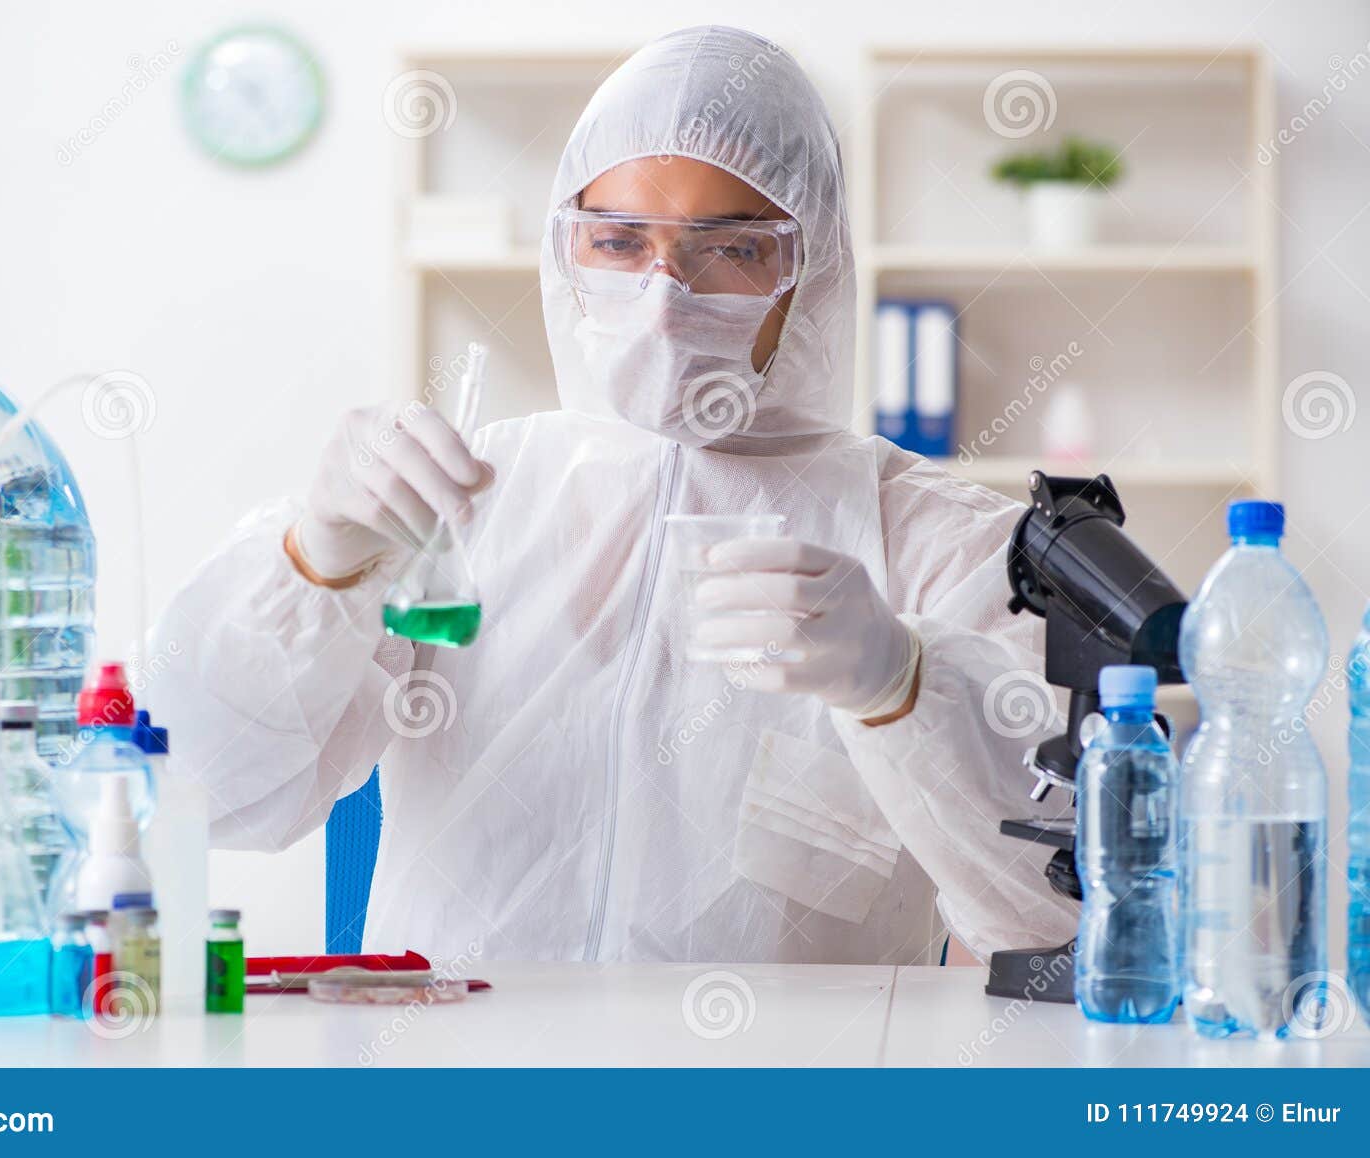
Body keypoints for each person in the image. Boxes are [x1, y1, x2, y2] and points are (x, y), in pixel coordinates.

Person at [150, 25, 1075, 965]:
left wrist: (906, 685)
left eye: (731, 249)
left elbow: (1064, 916)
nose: (665, 295)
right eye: (621, 242)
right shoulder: (458, 505)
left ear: (811, 269)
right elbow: (205, 791)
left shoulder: (934, 542)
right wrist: (317, 561)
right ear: (569, 252)